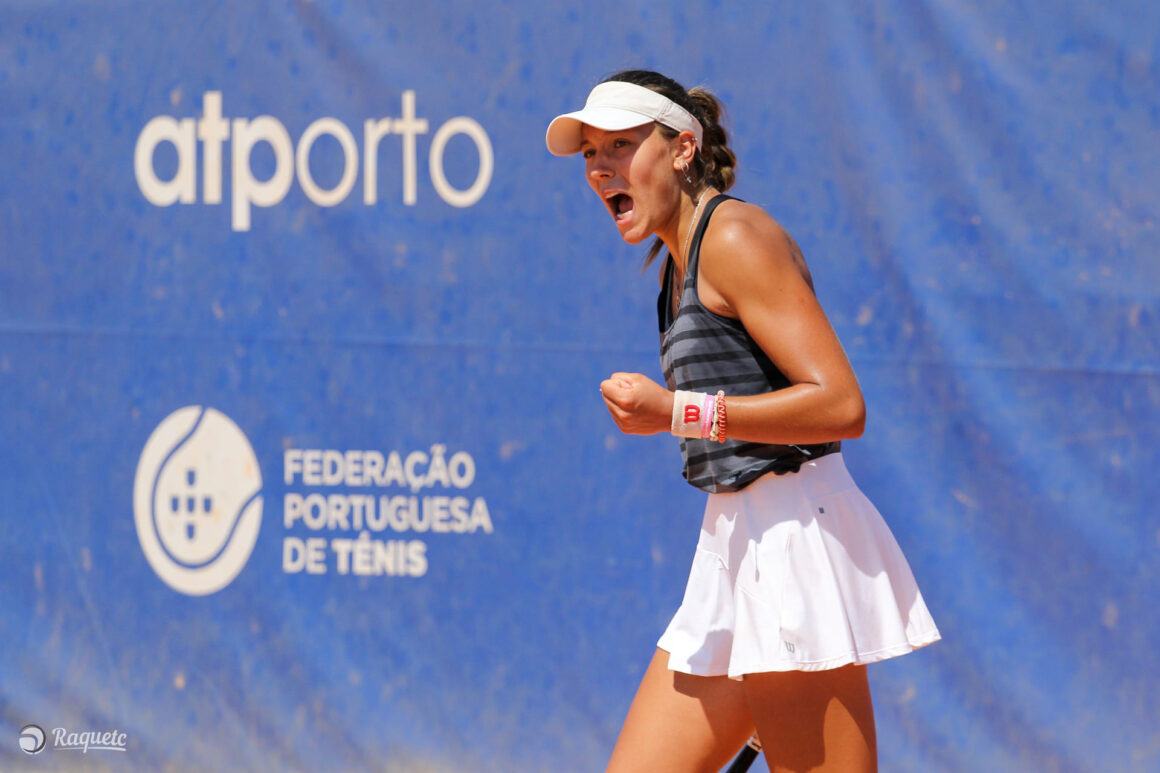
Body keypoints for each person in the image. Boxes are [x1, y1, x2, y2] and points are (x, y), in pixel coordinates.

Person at [546, 70, 941, 773]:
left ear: (682, 149)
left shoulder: (733, 236)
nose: (601, 167)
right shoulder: (675, 265)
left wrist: (676, 411)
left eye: (621, 145)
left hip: (793, 545)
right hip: (732, 546)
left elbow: (841, 403)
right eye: (590, 153)